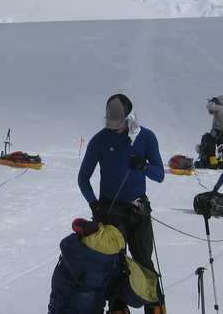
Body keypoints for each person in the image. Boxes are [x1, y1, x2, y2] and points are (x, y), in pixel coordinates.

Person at [78, 94, 166, 314]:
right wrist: (94, 205)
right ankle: (118, 309)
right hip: (109, 212)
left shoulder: (146, 138)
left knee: (144, 262)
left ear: (129, 118)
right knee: (113, 265)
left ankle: (155, 308)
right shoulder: (99, 140)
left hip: (138, 211)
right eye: (110, 123)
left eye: (118, 124)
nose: (114, 128)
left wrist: (143, 166)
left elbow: (160, 175)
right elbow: (83, 178)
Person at [198, 96, 223, 165]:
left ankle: (213, 162)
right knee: (221, 146)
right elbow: (211, 112)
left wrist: (211, 101)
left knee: (211, 146)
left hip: (216, 130)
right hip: (221, 130)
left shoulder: (219, 108)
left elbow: (209, 107)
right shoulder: (222, 109)